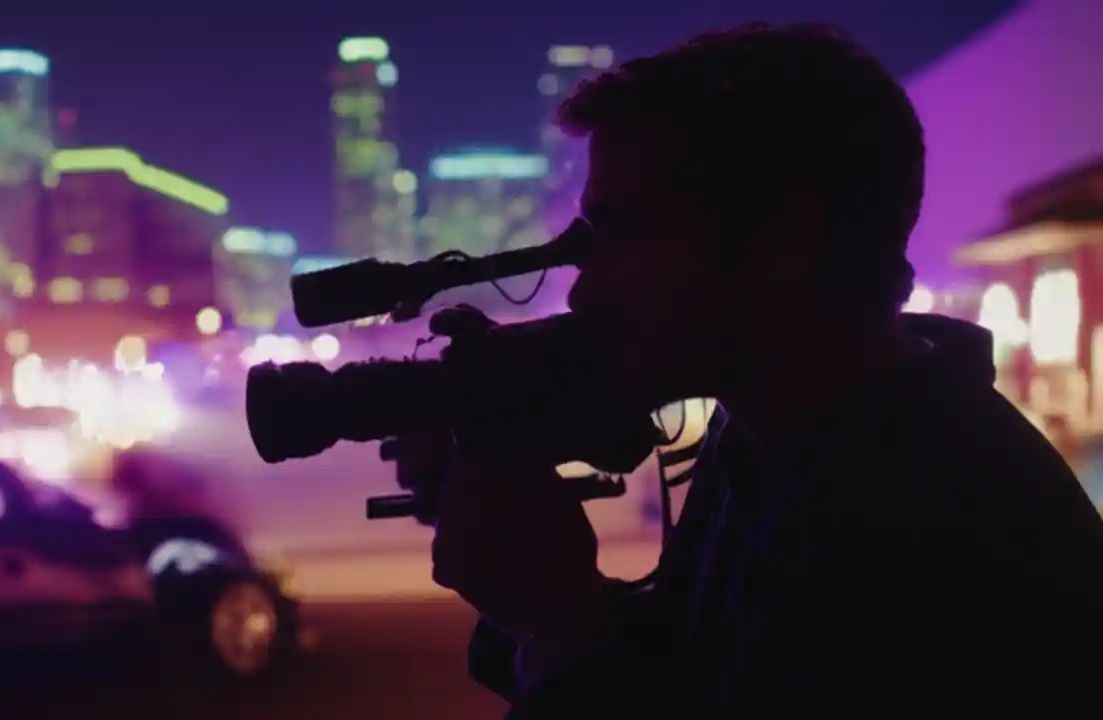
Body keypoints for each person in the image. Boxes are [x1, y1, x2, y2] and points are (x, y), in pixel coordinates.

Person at [427, 22, 1103, 718]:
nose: (585, 291)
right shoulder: (770, 442)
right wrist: (531, 589)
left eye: (624, 234)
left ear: (783, 242)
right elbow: (695, 673)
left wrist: (564, 623)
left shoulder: (934, 536)